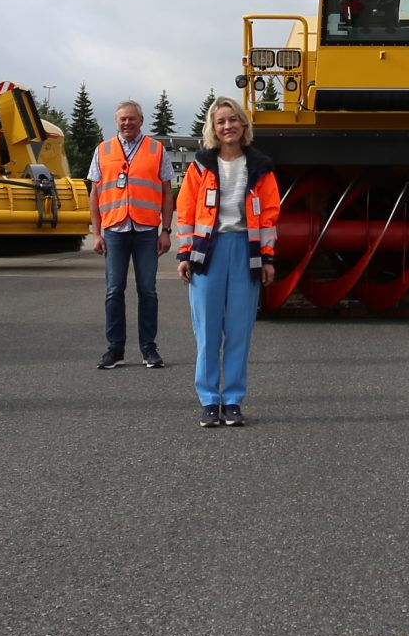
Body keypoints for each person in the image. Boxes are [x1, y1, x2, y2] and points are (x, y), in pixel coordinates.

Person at [174, 98, 280, 428]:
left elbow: (270, 217)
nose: (228, 126)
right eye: (221, 121)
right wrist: (184, 253)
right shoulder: (200, 167)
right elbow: (186, 212)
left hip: (246, 251)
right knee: (207, 331)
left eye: (233, 119)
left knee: (238, 331)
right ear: (213, 128)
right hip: (208, 252)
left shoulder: (261, 167)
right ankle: (209, 400)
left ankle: (232, 400)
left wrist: (267, 258)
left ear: (243, 124)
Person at [88, 99, 174, 370]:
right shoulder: (102, 150)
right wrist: (96, 233)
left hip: (146, 230)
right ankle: (115, 349)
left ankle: (149, 348)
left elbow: (167, 192)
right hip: (115, 230)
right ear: (116, 122)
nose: (127, 123)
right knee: (114, 290)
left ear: (141, 121)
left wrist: (166, 231)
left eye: (132, 118)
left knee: (148, 290)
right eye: (123, 119)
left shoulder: (156, 149)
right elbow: (95, 194)